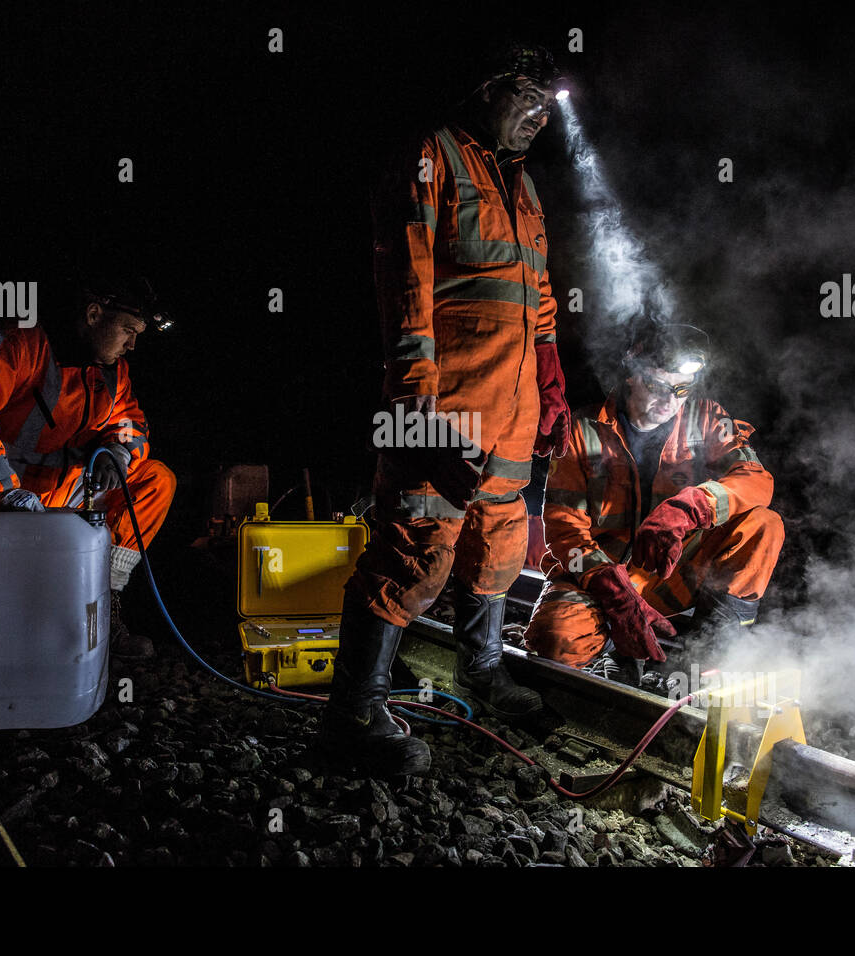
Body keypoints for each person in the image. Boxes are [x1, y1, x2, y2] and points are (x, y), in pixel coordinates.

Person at [319, 40, 573, 776]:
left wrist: (552, 382)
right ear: (489, 87)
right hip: (446, 407)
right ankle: (352, 714)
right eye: (529, 101)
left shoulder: (521, 188)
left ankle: (483, 672)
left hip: (514, 411)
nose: (540, 120)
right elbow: (404, 288)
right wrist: (416, 409)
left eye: (548, 110)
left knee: (498, 548)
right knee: (414, 551)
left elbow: (540, 299)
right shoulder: (434, 156)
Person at [0, 275, 177, 657]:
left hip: (63, 492)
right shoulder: (21, 342)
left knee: (156, 479)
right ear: (93, 315)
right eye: (127, 330)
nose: (132, 344)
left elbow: (131, 423)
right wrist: (0, 493)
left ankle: (101, 600)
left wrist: (118, 451)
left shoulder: (112, 371)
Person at [524, 323, 784, 687]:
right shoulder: (584, 430)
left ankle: (710, 653)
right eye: (658, 387)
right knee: (556, 642)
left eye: (681, 390)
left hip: (668, 574)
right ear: (632, 374)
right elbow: (565, 530)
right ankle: (616, 646)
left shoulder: (706, 418)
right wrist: (612, 590)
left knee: (763, 523)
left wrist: (692, 505)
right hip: (601, 580)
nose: (670, 401)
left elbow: (755, 478)